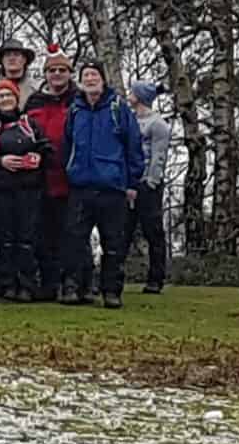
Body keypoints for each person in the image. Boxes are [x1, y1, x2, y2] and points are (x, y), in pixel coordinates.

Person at [60, 61, 145, 309]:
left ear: (103, 79)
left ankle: (111, 291)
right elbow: (67, 144)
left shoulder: (119, 109)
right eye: (85, 75)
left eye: (94, 75)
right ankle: (73, 287)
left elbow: (134, 147)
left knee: (113, 243)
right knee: (75, 239)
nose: (90, 79)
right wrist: (70, 170)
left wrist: (132, 182)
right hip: (80, 185)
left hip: (112, 186)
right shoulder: (75, 111)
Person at [0, 80, 50, 301]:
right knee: (3, 238)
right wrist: (1, 161)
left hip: (28, 188)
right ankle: (6, 284)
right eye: (1, 97)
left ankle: (27, 284)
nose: (5, 100)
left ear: (17, 99)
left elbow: (45, 147)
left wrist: (38, 157)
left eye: (9, 96)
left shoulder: (29, 124)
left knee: (26, 238)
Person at [22, 44, 75, 299]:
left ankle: (72, 282)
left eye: (61, 70)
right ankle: (49, 283)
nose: (56, 75)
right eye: (52, 70)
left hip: (69, 176)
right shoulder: (34, 101)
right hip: (40, 177)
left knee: (70, 232)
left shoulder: (78, 100)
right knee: (42, 233)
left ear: (69, 73)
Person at [128, 80, 172, 295]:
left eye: (133, 92)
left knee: (152, 232)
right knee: (123, 230)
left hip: (148, 184)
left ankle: (156, 278)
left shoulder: (158, 125)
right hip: (129, 182)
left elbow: (159, 156)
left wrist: (151, 182)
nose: (129, 95)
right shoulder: (130, 120)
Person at [0, 38, 37, 109]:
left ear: (24, 60)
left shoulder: (36, 89)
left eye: (16, 54)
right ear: (2, 60)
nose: (12, 58)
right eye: (7, 55)